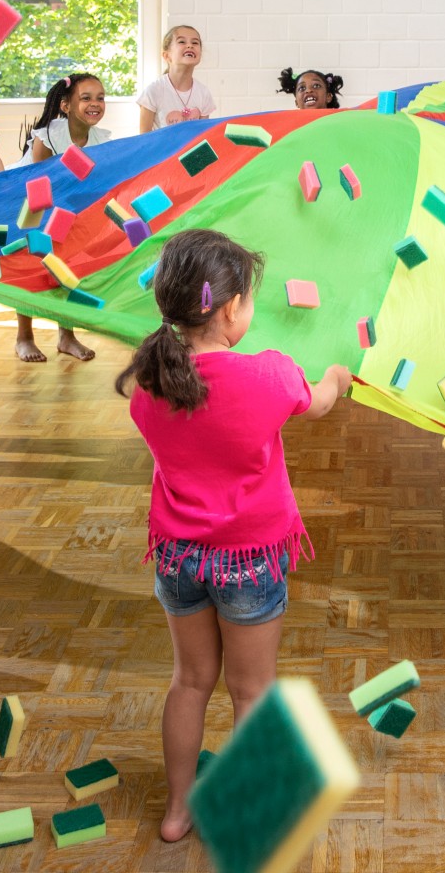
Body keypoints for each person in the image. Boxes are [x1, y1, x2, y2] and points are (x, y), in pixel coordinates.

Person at [115, 229, 350, 843]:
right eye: (247, 299)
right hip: (247, 560)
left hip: (178, 557)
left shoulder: (149, 379)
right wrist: (336, 377)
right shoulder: (269, 376)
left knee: (190, 682)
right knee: (252, 691)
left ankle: (176, 812)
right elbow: (319, 401)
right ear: (229, 310)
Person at [18, 73, 111, 362]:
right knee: (29, 269)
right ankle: (24, 336)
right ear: (66, 106)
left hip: (68, 205)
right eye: (86, 98)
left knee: (68, 268)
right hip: (31, 205)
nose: (95, 103)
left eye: (100, 98)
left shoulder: (100, 138)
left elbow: (95, 180)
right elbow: (39, 181)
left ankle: (66, 336)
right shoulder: (48, 135)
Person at [138, 25, 216, 132]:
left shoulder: (203, 93)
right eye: (182, 42)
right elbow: (143, 138)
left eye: (195, 43)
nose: (190, 46)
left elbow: (202, 136)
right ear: (166, 56)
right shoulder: (153, 91)